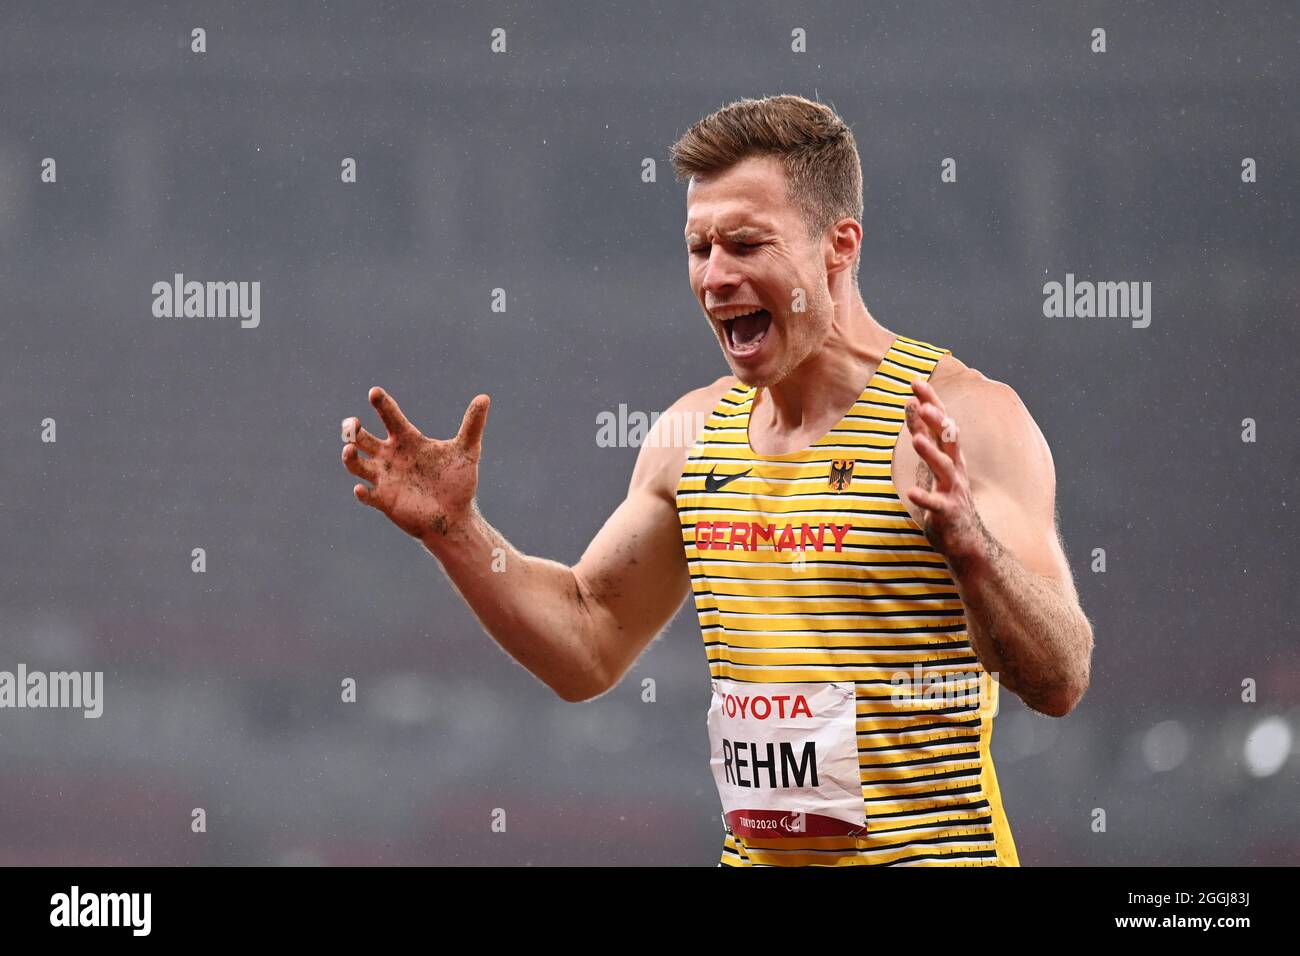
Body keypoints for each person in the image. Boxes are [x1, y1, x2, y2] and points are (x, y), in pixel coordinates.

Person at [341, 94, 1094, 866]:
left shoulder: (960, 420)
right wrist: (456, 533)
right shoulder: (689, 438)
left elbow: (1061, 678)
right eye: (700, 249)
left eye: (745, 244)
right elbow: (588, 640)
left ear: (839, 246)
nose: (716, 277)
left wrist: (970, 547)